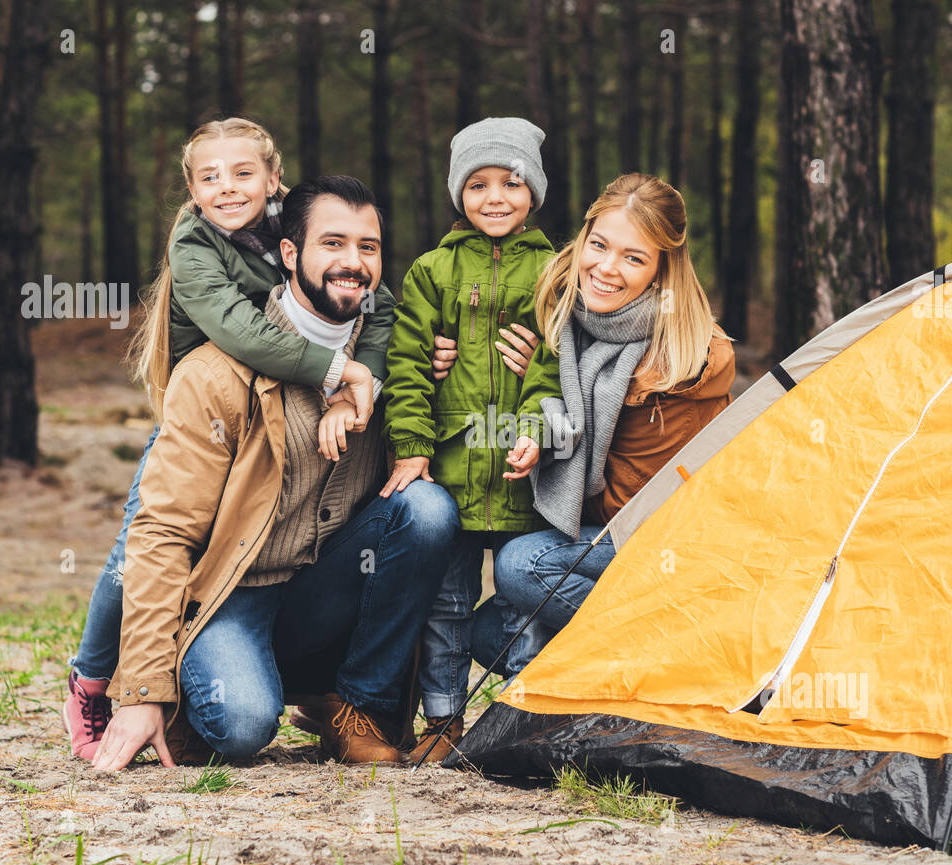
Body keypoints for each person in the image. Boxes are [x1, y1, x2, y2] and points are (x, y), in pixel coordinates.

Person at [88, 175, 459, 771]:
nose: (353, 263)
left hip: (328, 592)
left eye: (368, 247)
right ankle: (205, 683)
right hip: (235, 595)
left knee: (427, 509)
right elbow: (161, 535)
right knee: (239, 728)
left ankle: (355, 706)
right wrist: (142, 690)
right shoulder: (215, 375)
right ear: (289, 254)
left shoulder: (397, 360)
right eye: (332, 243)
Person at [455, 172, 736, 675]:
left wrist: (553, 407)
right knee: (489, 632)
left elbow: (633, 512)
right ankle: (595, 692)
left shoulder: (680, 359)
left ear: (662, 269)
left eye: (634, 257)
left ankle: (671, 657)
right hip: (599, 539)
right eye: (600, 245)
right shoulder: (564, 310)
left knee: (523, 566)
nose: (606, 269)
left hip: (666, 547)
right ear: (583, 238)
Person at [379, 117, 559, 763]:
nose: (494, 197)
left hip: (520, 471)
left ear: (533, 192)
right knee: (447, 603)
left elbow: (553, 367)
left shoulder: (555, 271)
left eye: (511, 182)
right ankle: (444, 720)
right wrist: (414, 447)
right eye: (478, 184)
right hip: (454, 467)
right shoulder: (432, 270)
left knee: (521, 602)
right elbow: (406, 365)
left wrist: (535, 431)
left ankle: (522, 718)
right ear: (459, 194)